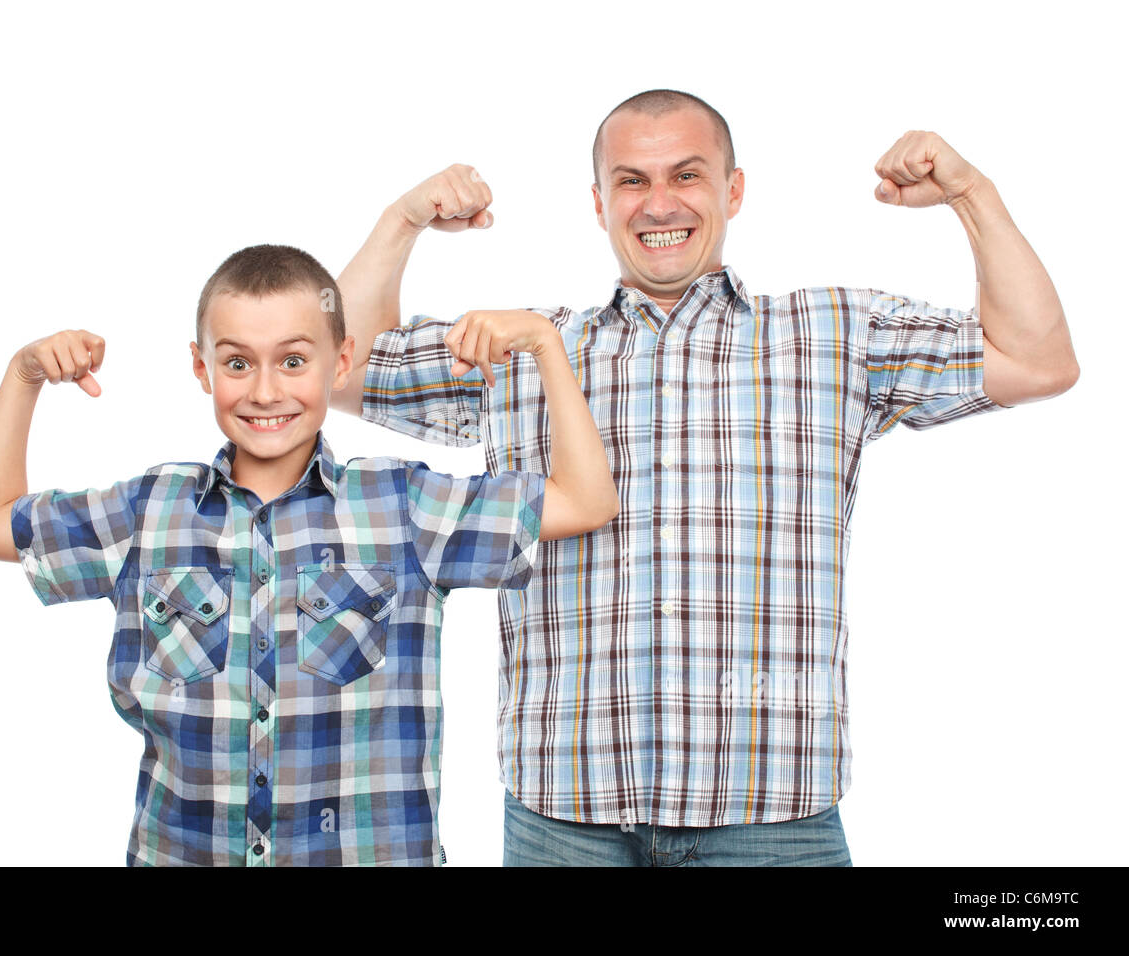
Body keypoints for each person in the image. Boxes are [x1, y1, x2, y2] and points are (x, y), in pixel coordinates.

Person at [331, 90, 1079, 866]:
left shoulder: (833, 334)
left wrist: (971, 194)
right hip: (564, 815)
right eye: (631, 181)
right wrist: (403, 219)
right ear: (598, 203)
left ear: (733, 190)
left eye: (686, 175)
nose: (659, 203)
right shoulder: (526, 348)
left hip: (772, 819)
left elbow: (1038, 361)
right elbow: (335, 368)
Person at [0, 244, 618, 866]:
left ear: (342, 361)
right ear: (201, 367)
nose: (265, 391)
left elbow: (585, 502)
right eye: (238, 362)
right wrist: (23, 375)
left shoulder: (404, 507)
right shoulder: (147, 512)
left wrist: (545, 347)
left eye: (294, 360)